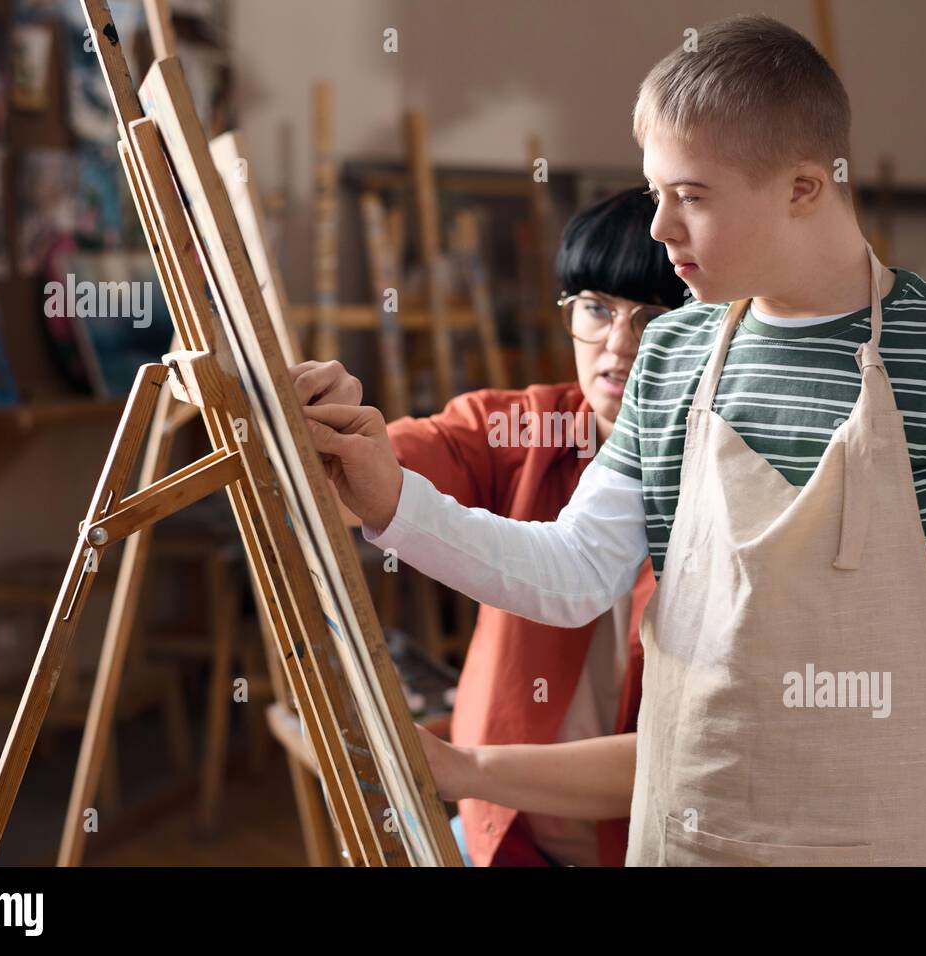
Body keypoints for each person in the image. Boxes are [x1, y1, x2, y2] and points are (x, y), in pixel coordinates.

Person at [302, 16, 926, 866]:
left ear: (805, 188)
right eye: (655, 190)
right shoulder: (676, 351)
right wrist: (390, 501)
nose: (660, 227)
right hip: (681, 837)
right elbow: (573, 572)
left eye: (692, 197)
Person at [291, 187, 685, 866]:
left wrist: (465, 766)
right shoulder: (522, 427)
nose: (618, 346)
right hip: (500, 841)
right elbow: (358, 488)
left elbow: (683, 759)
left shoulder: (724, 482)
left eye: (654, 318)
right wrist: (325, 435)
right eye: (595, 308)